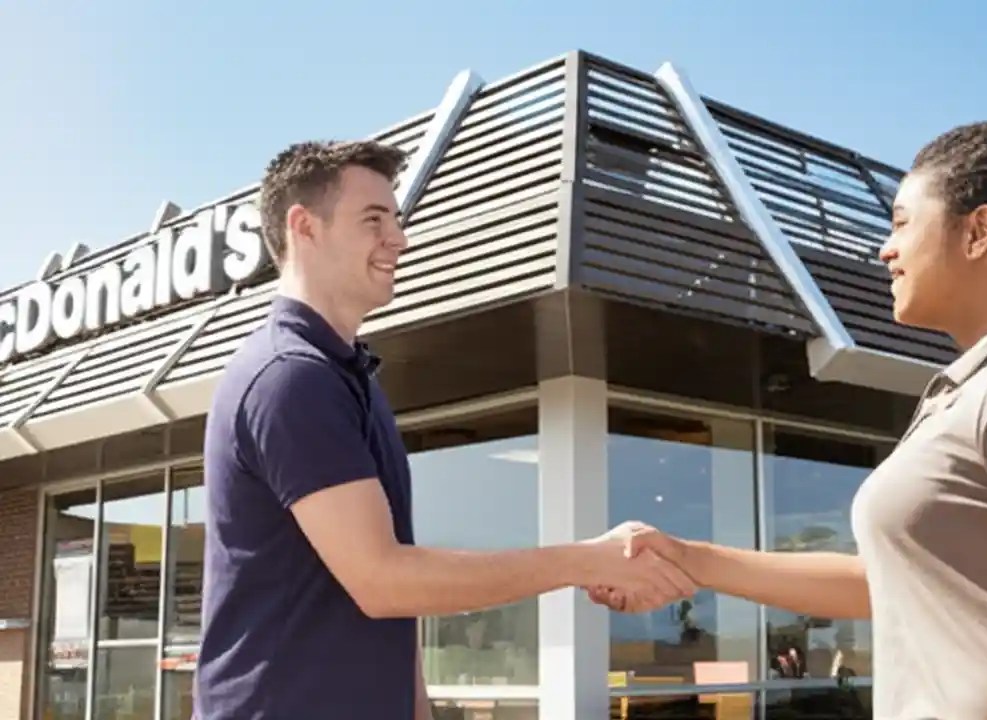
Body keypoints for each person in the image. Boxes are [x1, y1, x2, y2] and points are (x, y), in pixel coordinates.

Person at [591, 121, 987, 720]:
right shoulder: (966, 391)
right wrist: (688, 557)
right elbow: (884, 582)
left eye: (901, 223)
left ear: (979, 231)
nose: (885, 249)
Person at [195, 140, 695, 720]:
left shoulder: (347, 379)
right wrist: (588, 560)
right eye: (374, 220)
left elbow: (393, 593)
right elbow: (384, 581)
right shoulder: (289, 378)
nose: (399, 239)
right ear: (305, 227)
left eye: (396, 220)